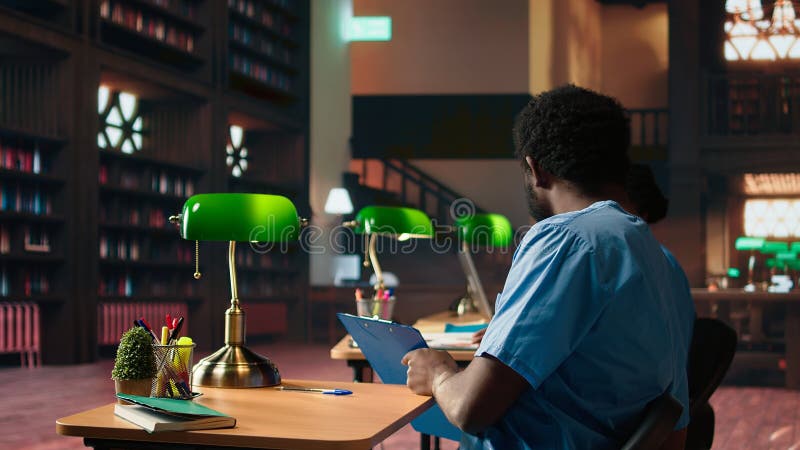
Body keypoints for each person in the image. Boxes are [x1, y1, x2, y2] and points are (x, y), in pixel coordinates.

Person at [402, 85, 695, 449]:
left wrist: (438, 372)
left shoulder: (566, 239)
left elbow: (469, 408)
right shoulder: (649, 250)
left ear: (535, 168)